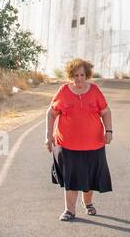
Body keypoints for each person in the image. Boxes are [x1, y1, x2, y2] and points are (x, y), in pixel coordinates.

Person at [46, 59, 113, 220]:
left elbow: (105, 112)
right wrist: (48, 136)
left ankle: (88, 203)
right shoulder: (63, 91)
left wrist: (109, 131)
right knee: (71, 178)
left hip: (94, 144)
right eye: (75, 75)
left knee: (89, 177)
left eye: (82, 75)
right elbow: (51, 113)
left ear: (87, 75)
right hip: (67, 145)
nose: (79, 79)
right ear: (70, 76)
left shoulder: (95, 91)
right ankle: (69, 210)